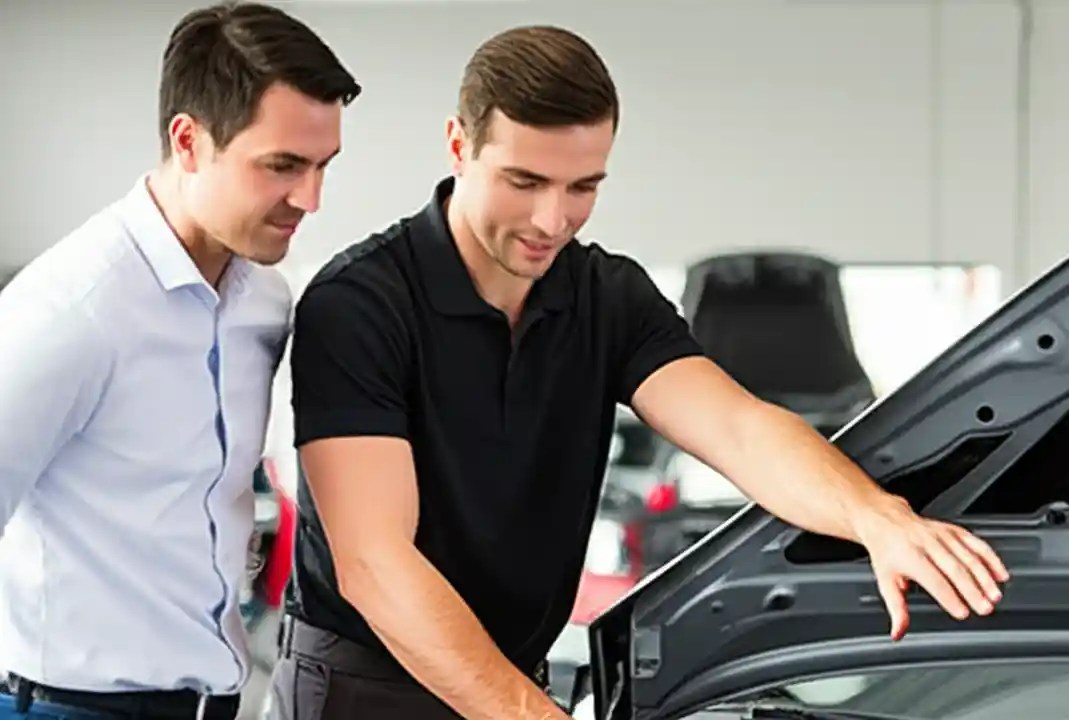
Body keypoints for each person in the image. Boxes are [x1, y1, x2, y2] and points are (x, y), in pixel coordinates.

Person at [270, 24, 1009, 720]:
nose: (552, 221)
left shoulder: (606, 297)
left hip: (512, 675)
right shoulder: (361, 302)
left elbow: (738, 427)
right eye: (524, 181)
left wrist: (875, 518)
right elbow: (374, 563)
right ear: (458, 146)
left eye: (583, 187)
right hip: (364, 686)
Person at [0, 2, 359, 718]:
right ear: (189, 141)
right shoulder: (72, 310)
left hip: (216, 701)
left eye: (323, 166)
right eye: (282, 166)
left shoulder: (265, 302)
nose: (310, 198)